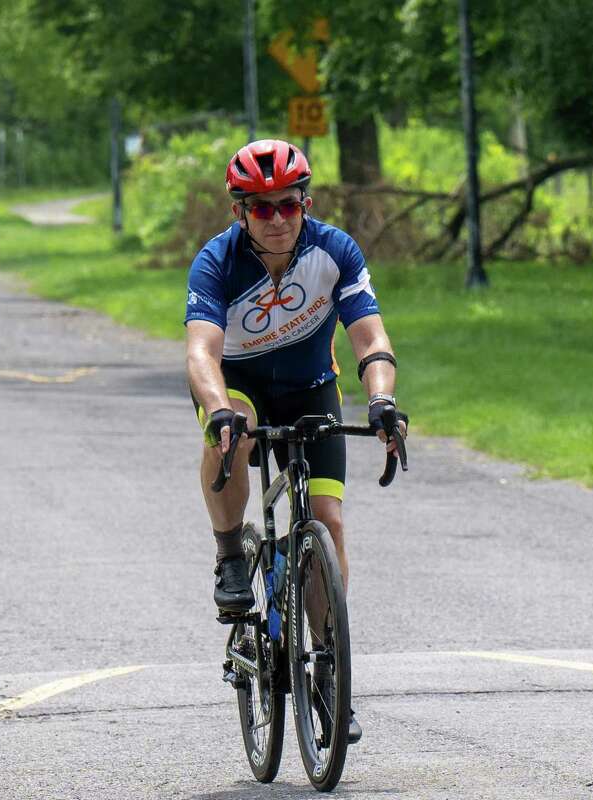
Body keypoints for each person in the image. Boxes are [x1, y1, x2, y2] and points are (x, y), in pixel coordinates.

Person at [184, 138, 406, 743]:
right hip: (240, 386)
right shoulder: (217, 262)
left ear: (305, 203)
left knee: (327, 521)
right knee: (231, 438)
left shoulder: (335, 251)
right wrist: (218, 409)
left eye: (288, 204)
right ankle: (231, 555)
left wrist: (381, 400)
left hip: (311, 388)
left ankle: (329, 668)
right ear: (239, 212)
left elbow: (370, 338)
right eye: (262, 208)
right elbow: (202, 353)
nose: (277, 219)